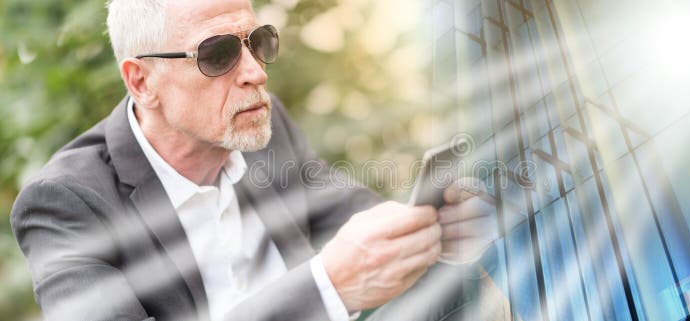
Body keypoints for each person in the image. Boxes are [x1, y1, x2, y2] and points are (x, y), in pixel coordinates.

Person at [10, 0, 498, 320]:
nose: (255, 73)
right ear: (141, 81)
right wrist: (327, 289)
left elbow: (345, 213)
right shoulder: (65, 204)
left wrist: (429, 230)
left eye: (258, 42)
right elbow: (337, 277)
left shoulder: (257, 127)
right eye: (218, 54)